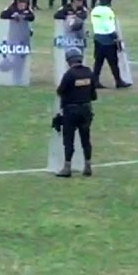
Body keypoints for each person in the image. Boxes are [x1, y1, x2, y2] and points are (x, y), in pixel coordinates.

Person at [54, 46, 97, 177]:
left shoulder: (69, 74)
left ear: (69, 60)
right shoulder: (89, 72)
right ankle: (88, 165)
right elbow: (93, 95)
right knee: (86, 139)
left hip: (70, 111)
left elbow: (60, 91)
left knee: (69, 140)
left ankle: (67, 167)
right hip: (86, 110)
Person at [90, 0, 127, 89]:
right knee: (113, 62)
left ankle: (95, 80)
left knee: (98, 61)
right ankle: (118, 81)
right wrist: (115, 37)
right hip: (108, 40)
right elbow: (109, 26)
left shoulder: (95, 10)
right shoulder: (108, 11)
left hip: (97, 37)